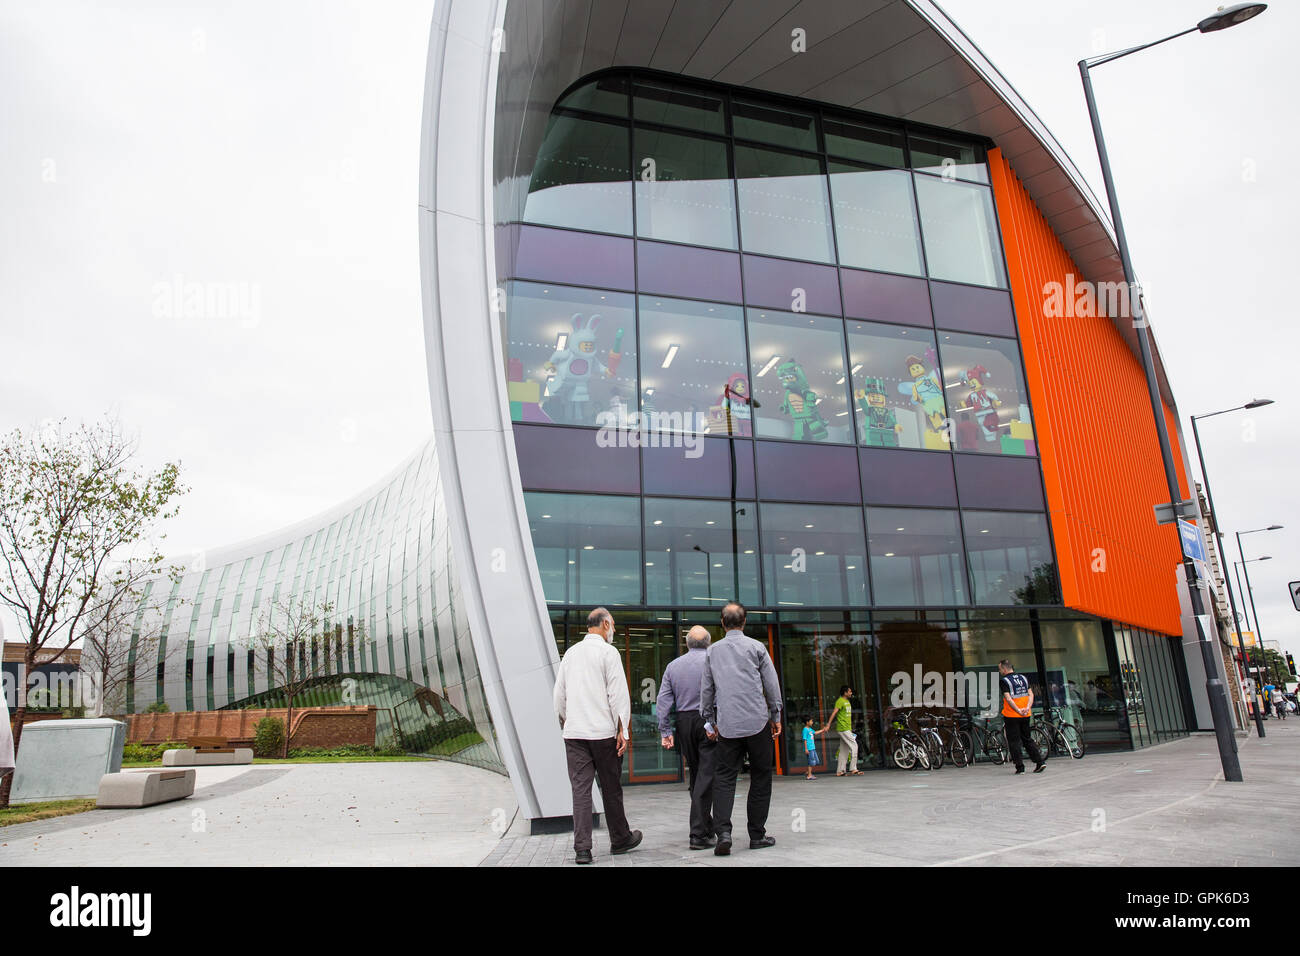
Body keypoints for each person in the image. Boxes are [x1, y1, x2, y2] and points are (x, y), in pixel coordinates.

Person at [553, 607, 642, 864]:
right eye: (612, 625)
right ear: (604, 624)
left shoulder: (570, 653)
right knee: (611, 788)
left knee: (580, 790)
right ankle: (620, 838)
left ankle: (583, 849)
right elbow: (618, 695)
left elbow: (559, 695)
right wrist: (622, 730)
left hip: (575, 733)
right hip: (603, 733)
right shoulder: (608, 652)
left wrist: (566, 720)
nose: (612, 630)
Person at [701, 602, 783, 856]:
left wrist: (708, 719)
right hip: (757, 722)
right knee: (760, 776)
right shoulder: (757, 647)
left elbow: (706, 689)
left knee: (724, 778)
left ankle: (723, 833)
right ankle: (757, 835)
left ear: (722, 623)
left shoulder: (712, 652)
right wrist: (776, 714)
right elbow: (771, 683)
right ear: (744, 622)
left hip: (727, 726)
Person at [657, 624, 717, 849]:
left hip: (684, 722)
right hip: (707, 720)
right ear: (708, 642)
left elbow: (663, 701)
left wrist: (665, 731)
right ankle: (698, 834)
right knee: (706, 775)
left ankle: (706, 827)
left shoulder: (673, 666)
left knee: (696, 775)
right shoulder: (714, 662)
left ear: (687, 643)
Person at [999, 659, 1045, 775]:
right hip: (1026, 714)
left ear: (1004, 669)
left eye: (1000, 669)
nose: (1000, 671)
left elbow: (1008, 698)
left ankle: (1020, 767)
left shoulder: (1004, 681)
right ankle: (1039, 761)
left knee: (1014, 741)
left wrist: (1018, 710)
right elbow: (1031, 694)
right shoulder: (1023, 678)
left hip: (1012, 715)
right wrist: (1027, 708)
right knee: (1027, 739)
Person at [822, 684, 863, 776]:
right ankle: (853, 768)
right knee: (854, 745)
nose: (851, 693)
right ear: (845, 692)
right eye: (849, 691)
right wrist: (828, 724)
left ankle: (840, 771)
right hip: (842, 728)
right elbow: (834, 713)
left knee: (844, 749)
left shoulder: (847, 701)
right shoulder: (840, 701)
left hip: (847, 728)